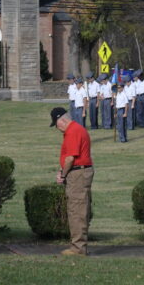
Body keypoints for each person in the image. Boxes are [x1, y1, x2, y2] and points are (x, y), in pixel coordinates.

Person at [50, 106, 94, 256]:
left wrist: (63, 175)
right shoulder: (75, 129)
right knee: (78, 209)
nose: (57, 129)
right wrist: (62, 171)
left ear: (61, 121)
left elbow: (70, 158)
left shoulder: (73, 131)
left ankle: (78, 248)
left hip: (78, 174)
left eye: (56, 125)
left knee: (77, 210)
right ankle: (77, 246)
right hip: (77, 172)